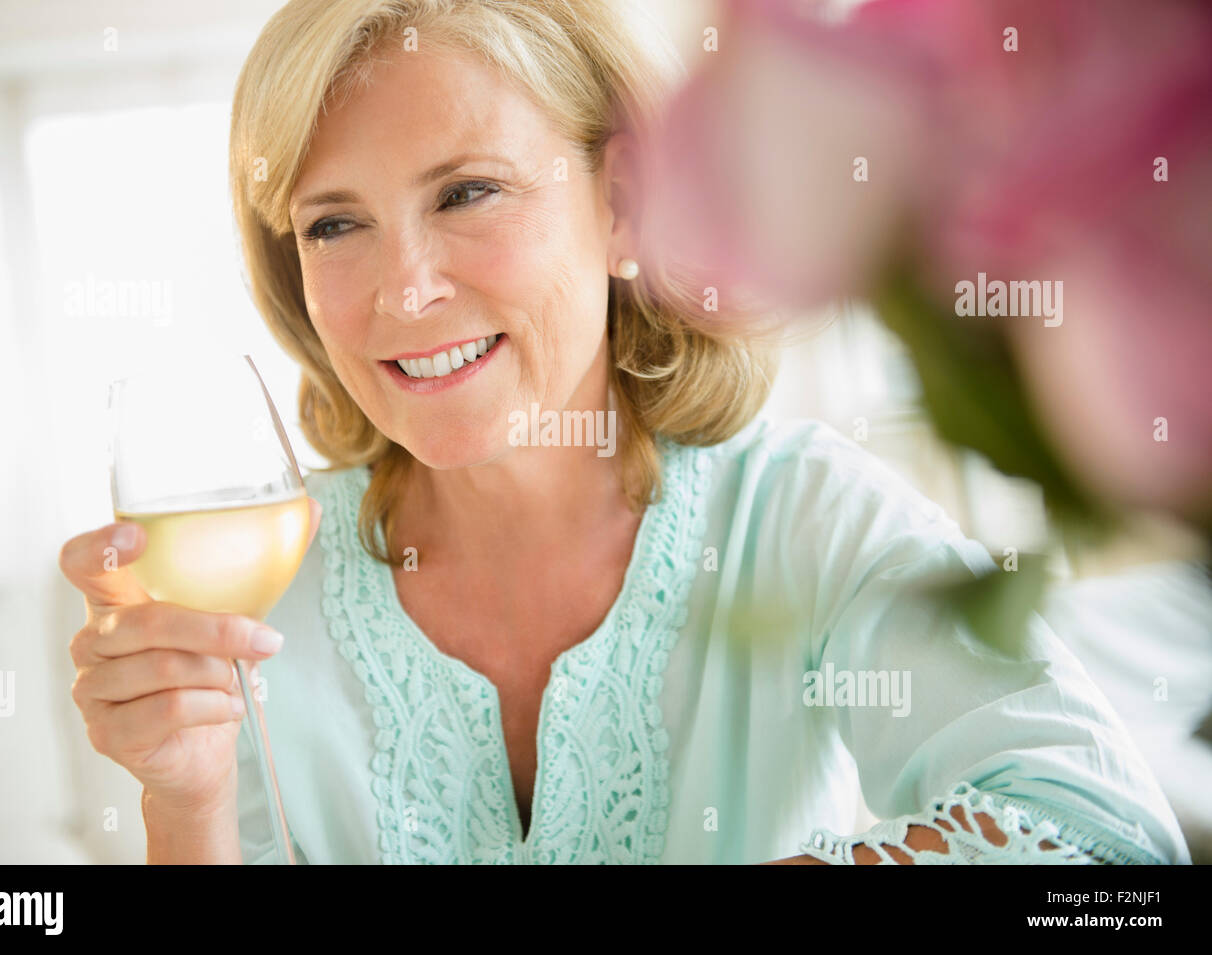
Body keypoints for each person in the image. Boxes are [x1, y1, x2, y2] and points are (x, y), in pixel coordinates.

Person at [58, 0, 1190, 865]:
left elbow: (1103, 839)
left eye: (467, 193)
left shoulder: (797, 516)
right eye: (336, 223)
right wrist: (184, 794)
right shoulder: (261, 598)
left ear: (622, 207)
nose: (402, 292)